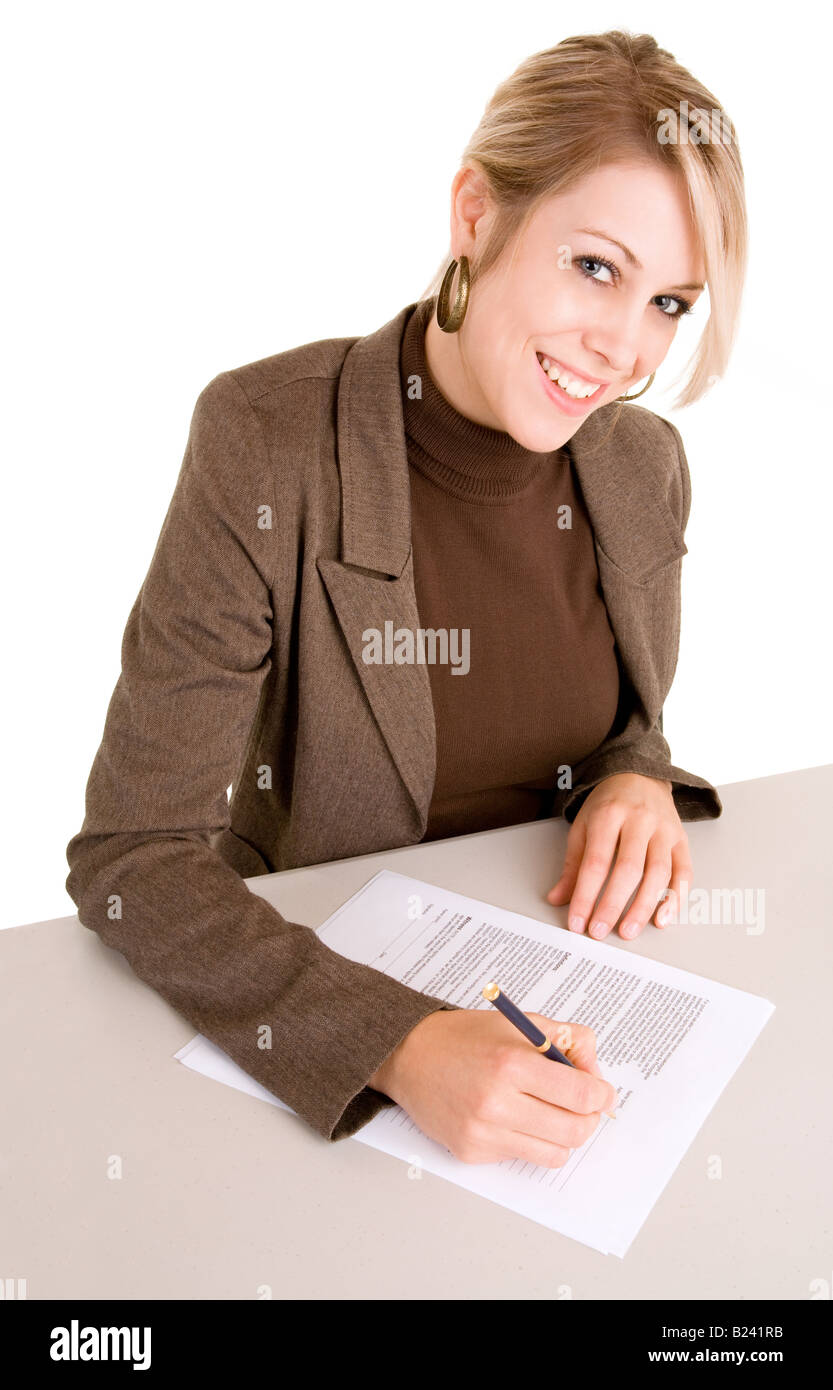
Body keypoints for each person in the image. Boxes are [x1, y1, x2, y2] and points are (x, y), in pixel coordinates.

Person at [65, 29, 746, 1170]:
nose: (624, 349)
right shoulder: (265, 438)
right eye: (594, 267)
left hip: (573, 1007)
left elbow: (625, 721)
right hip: (322, 1022)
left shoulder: (641, 466)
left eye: (670, 301)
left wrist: (633, 775)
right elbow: (132, 856)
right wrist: (396, 1043)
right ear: (475, 214)